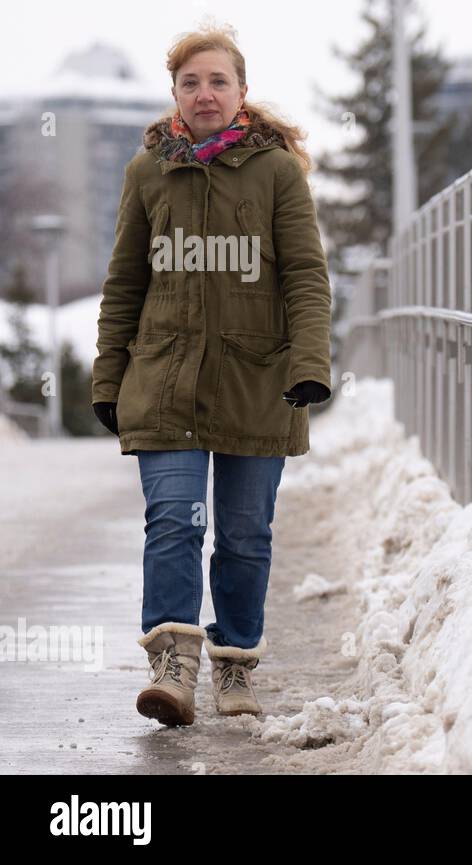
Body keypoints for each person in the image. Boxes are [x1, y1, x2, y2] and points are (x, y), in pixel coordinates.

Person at [89, 24, 333, 727]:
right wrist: (109, 380)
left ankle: (234, 662)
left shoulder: (277, 172)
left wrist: (308, 364)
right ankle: (173, 660)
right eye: (191, 82)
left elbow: (308, 279)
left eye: (217, 81)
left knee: (244, 533)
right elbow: (124, 283)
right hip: (164, 379)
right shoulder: (147, 173)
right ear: (174, 95)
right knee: (173, 519)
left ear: (242, 93)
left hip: (260, 381)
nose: (205, 93)